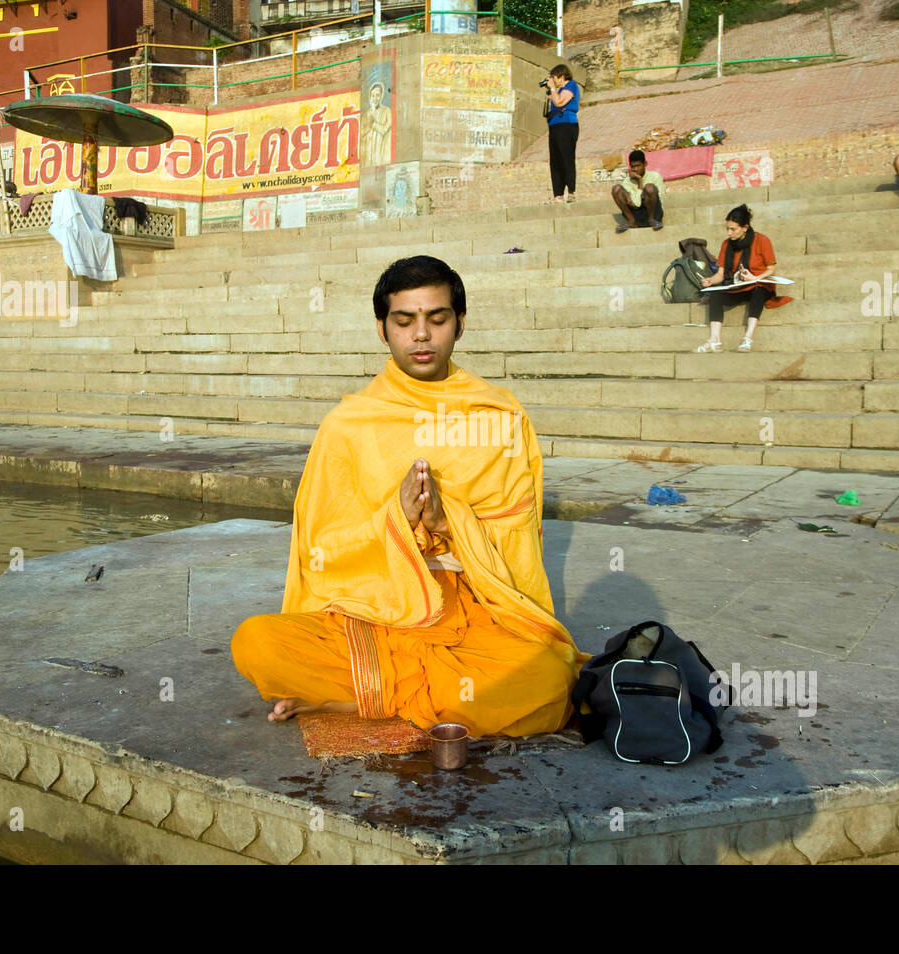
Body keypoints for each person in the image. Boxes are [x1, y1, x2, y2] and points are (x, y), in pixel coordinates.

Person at [231, 256, 585, 737]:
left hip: (470, 611)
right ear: (382, 329)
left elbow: (519, 545)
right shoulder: (349, 425)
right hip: (371, 611)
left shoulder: (499, 416)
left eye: (437, 320)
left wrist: (448, 523)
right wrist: (395, 518)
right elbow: (322, 548)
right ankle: (418, 696)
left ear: (460, 324)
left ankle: (355, 699)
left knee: (547, 680)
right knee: (256, 642)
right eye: (404, 321)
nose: (422, 335)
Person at [695, 204, 791, 353]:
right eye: (727, 228)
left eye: (733, 229)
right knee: (715, 293)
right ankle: (715, 339)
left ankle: (748, 338)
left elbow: (771, 269)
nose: (729, 232)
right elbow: (720, 274)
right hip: (736, 285)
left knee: (759, 289)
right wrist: (710, 281)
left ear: (745, 228)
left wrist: (755, 277)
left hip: (757, 284)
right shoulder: (727, 244)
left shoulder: (761, 240)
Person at [544, 64, 580, 205]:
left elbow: (559, 102)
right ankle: (557, 194)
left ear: (561, 75)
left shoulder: (571, 85)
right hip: (554, 126)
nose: (552, 80)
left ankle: (571, 192)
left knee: (567, 157)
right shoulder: (556, 91)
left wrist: (553, 89)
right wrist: (551, 91)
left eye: (554, 77)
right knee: (555, 161)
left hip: (567, 125)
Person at [612, 149, 664, 233]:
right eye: (633, 167)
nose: (635, 169)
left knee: (650, 188)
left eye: (638, 166)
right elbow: (636, 203)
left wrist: (640, 180)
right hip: (636, 214)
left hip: (653, 213)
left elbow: (659, 199)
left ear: (645, 164)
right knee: (616, 189)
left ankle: (652, 220)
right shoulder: (627, 181)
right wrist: (640, 181)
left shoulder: (655, 176)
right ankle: (631, 221)